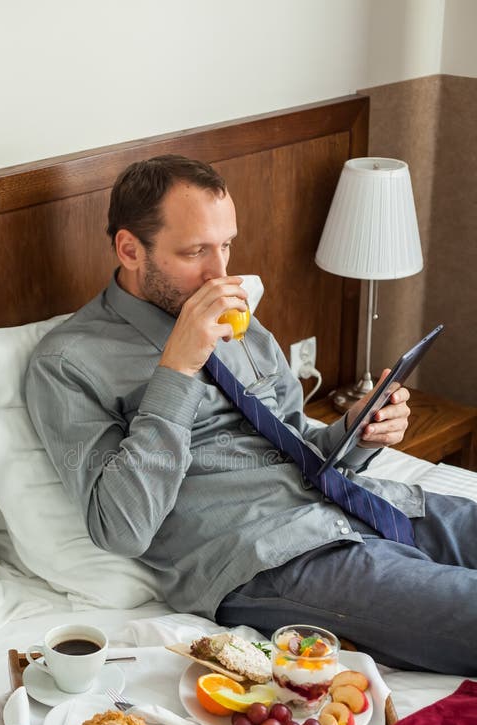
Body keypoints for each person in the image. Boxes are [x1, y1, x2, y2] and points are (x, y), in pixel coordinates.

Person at [26, 155, 477, 675]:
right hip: (274, 557)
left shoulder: (239, 321)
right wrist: (177, 368)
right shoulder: (68, 363)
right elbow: (122, 528)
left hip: (369, 509)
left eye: (226, 246)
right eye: (196, 251)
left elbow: (294, 439)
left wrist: (358, 431)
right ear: (130, 249)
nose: (221, 273)